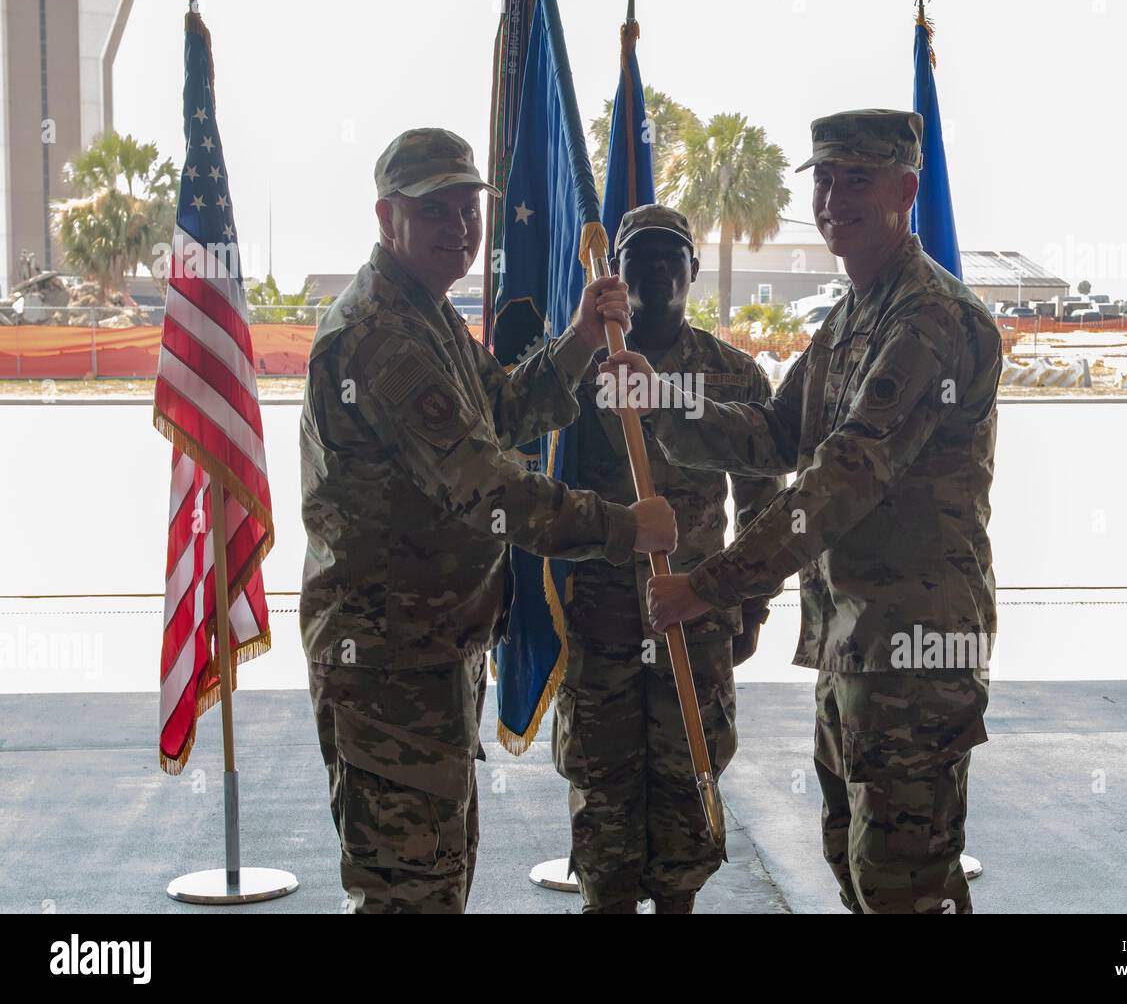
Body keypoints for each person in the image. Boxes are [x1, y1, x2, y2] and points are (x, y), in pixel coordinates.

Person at [607, 110, 1001, 914]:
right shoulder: (854, 315)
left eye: (857, 178)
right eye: (823, 178)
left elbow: (841, 479)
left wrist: (707, 585)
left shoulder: (928, 318)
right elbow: (777, 434)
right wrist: (662, 402)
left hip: (914, 652)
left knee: (905, 883)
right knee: (858, 866)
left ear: (906, 189)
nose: (833, 197)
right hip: (853, 644)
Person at [299, 127, 677, 913]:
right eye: (433, 210)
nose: (458, 228)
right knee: (409, 892)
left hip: (427, 651)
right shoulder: (382, 337)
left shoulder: (426, 315)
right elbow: (490, 492)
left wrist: (576, 342)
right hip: (388, 663)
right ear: (385, 217)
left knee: (436, 874)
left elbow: (502, 409)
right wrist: (624, 528)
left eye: (468, 208)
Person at [555, 204, 782, 913]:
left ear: (691, 267)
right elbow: (544, 482)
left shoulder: (733, 373)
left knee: (691, 777)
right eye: (641, 255)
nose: (657, 266)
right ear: (618, 270)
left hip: (694, 612)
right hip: (602, 616)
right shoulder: (582, 367)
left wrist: (751, 606)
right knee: (604, 790)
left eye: (670, 254)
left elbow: (762, 499)